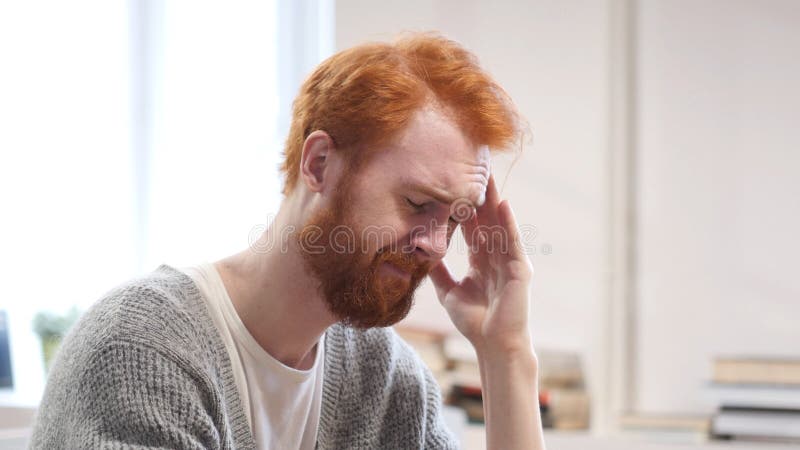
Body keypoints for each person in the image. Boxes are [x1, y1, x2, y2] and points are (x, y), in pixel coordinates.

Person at [30, 32, 546, 449]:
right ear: (319, 163)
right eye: (417, 204)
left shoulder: (382, 379)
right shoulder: (142, 349)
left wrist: (505, 353)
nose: (435, 245)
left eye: (455, 219)